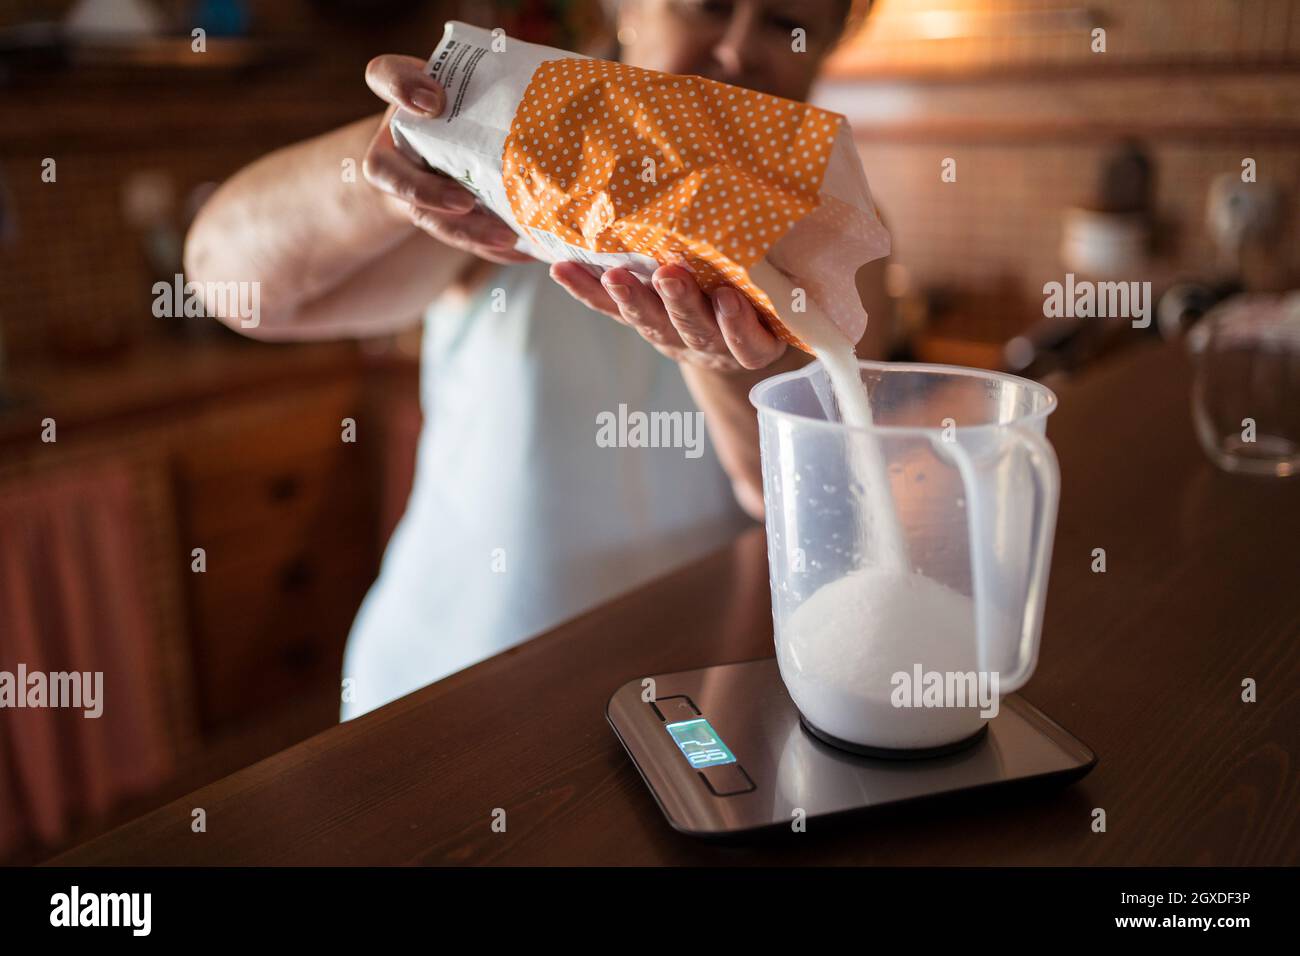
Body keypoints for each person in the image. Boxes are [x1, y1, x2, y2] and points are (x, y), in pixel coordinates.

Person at [183, 0, 887, 720]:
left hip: (674, 700)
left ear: (827, 45)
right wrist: (404, 153)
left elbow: (812, 509)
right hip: (446, 691)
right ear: (624, 11)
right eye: (706, 6)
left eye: (782, 21)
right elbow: (229, 281)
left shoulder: (829, 235)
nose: (738, 49)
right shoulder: (519, 160)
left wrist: (713, 354)